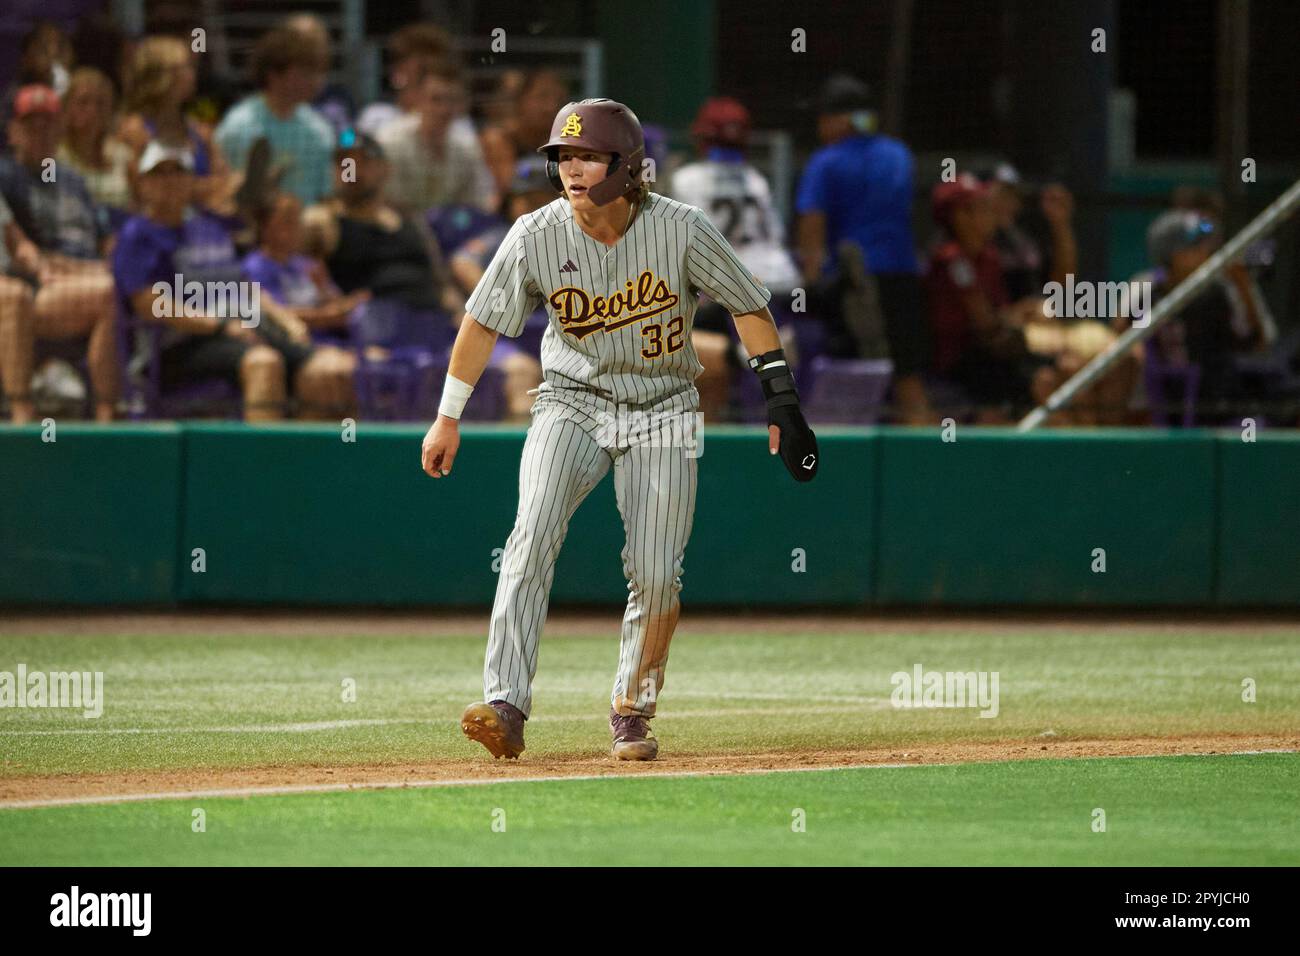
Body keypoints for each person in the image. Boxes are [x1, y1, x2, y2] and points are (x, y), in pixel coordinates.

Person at [421, 98, 820, 762]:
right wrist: (447, 415)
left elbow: (749, 302)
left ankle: (632, 710)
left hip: (663, 406)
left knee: (659, 573)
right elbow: (482, 322)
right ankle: (506, 704)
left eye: (587, 156)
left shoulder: (682, 229)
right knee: (531, 534)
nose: (571, 169)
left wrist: (780, 396)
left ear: (626, 166)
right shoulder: (535, 234)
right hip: (570, 402)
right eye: (563, 157)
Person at [112, 142, 353, 421]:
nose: (170, 181)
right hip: (175, 347)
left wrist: (286, 320)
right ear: (142, 184)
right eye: (159, 173)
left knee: (329, 371)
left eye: (178, 172)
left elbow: (245, 287)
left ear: (192, 180)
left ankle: (309, 462)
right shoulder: (138, 235)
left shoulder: (209, 227)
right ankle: (259, 464)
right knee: (264, 363)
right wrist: (219, 325)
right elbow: (150, 305)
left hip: (242, 330)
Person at [795, 74, 930, 422]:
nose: (820, 126)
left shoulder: (825, 162)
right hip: (902, 278)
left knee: (850, 380)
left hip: (853, 287)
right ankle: (928, 468)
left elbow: (812, 228)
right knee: (907, 379)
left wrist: (811, 288)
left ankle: (843, 467)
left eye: (823, 118)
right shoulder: (899, 154)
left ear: (840, 120)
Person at [672, 96, 801, 419]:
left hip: (726, 290)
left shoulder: (686, 177)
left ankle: (736, 360)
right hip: (779, 281)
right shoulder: (755, 179)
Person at [0, 85, 119, 423]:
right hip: (40, 285)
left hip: (76, 276)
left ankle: (108, 421)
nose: (40, 133)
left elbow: (104, 237)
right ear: (12, 131)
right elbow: (26, 252)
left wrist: (112, 262)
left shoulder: (72, 180)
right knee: (17, 294)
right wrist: (51, 269)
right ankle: (25, 414)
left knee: (116, 285)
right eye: (30, 125)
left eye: (48, 124)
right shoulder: (7, 177)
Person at [1141, 209, 1274, 423]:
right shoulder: (1150, 295)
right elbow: (1126, 342)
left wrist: (1243, 286)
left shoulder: (1215, 292)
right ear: (1172, 255)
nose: (1206, 252)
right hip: (1178, 403)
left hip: (1222, 402)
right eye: (1195, 247)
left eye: (1205, 245)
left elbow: (1257, 343)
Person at [214, 24, 334, 204]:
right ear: (274, 75)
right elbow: (220, 191)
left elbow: (326, 198)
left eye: (317, 73)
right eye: (304, 72)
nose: (315, 81)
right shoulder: (237, 126)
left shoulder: (320, 131)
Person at [118, 36, 237, 216]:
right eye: (185, 67)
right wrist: (202, 188)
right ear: (164, 75)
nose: (192, 74)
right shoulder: (134, 131)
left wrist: (184, 188)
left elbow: (225, 182)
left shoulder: (200, 132)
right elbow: (141, 190)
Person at [242, 191, 370, 347]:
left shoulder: (306, 264)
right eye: (287, 221)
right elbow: (275, 315)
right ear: (264, 226)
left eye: (298, 220)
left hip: (335, 341)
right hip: (298, 344)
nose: (296, 228)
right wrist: (326, 317)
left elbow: (336, 304)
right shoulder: (255, 267)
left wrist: (346, 302)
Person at [376, 62, 497, 214]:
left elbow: (478, 203)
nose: (444, 109)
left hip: (454, 231)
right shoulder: (391, 141)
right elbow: (386, 204)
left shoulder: (467, 146)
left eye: (452, 100)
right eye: (436, 99)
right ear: (419, 99)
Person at [57, 67, 134, 231]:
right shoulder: (52, 159)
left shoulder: (123, 155)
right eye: (83, 102)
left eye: (100, 103)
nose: (92, 111)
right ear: (66, 107)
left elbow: (138, 206)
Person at [478, 69, 569, 194]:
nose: (551, 107)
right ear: (520, 100)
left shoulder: (561, 142)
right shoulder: (498, 139)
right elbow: (508, 187)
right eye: (542, 97)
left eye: (558, 100)